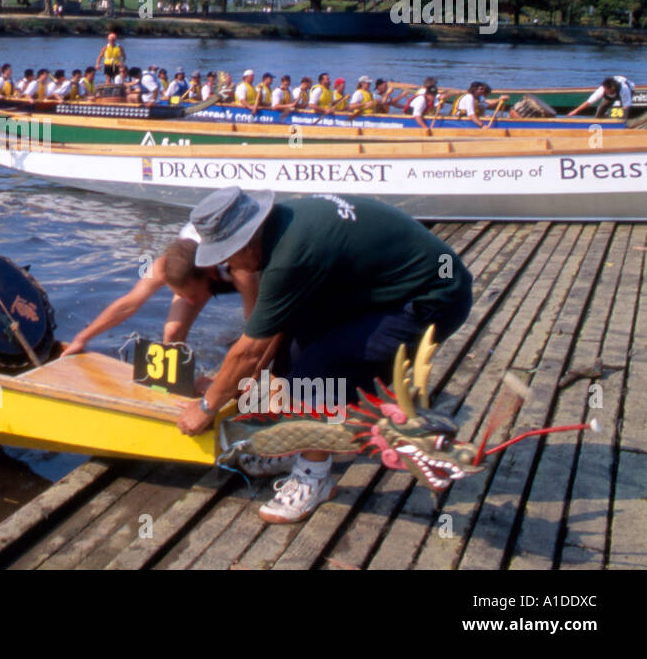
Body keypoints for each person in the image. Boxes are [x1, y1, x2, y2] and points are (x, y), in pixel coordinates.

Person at [171, 187, 473, 524]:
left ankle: (314, 478)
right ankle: (299, 443)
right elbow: (276, 331)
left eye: (228, 256)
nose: (228, 265)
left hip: (434, 297)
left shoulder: (290, 255)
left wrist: (207, 406)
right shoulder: (282, 225)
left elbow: (251, 349)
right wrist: (250, 380)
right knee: (294, 356)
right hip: (381, 288)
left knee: (315, 376)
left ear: (248, 242)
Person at [63, 235, 243, 356]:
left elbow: (260, 324)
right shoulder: (161, 267)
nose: (190, 302)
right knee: (172, 333)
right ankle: (178, 388)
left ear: (210, 273)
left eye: (192, 295)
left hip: (239, 269)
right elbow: (128, 304)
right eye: (182, 295)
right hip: (197, 267)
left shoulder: (240, 267)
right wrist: (82, 338)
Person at [568, 76, 635, 119]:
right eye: (604, 88)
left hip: (629, 89)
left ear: (612, 88)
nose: (604, 90)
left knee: (621, 112)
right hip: (611, 95)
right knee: (601, 108)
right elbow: (589, 102)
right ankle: (599, 121)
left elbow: (626, 106)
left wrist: (620, 118)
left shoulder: (624, 89)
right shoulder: (602, 90)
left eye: (606, 89)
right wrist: (575, 111)